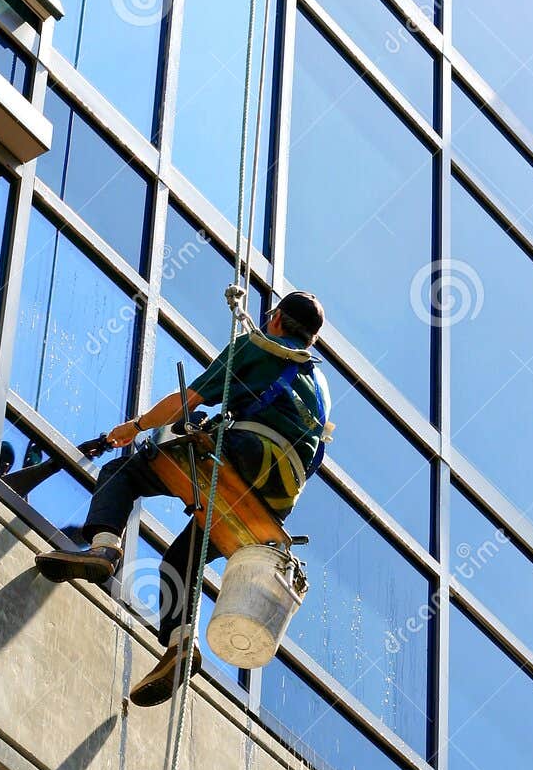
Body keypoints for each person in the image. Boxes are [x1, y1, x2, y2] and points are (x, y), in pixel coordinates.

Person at [35, 292, 332, 706]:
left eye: (270, 318)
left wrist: (136, 426)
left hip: (244, 458)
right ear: (312, 340)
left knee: (125, 472)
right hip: (275, 499)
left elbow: (185, 402)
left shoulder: (257, 347)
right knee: (180, 563)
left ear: (276, 319)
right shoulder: (319, 389)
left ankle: (104, 551)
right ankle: (180, 647)